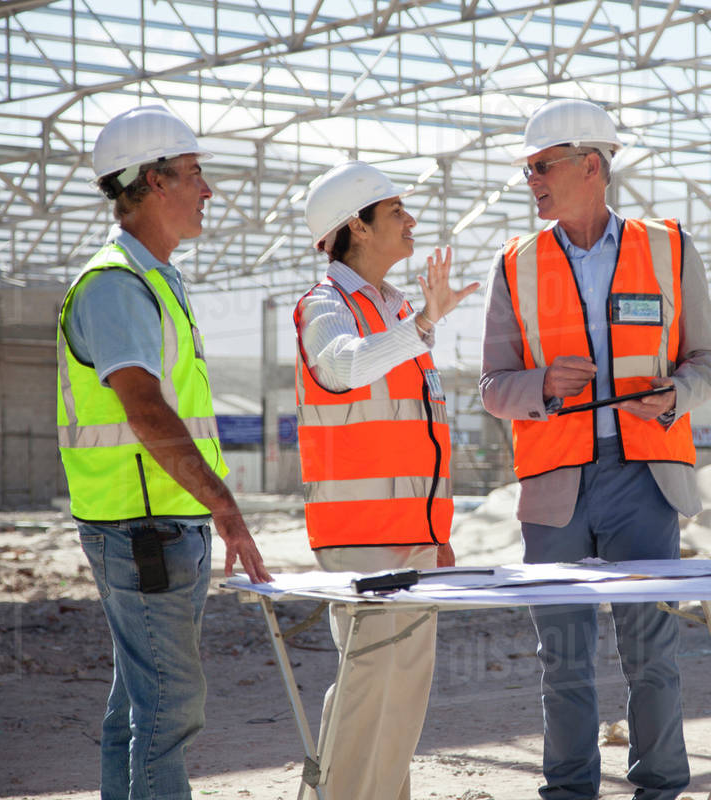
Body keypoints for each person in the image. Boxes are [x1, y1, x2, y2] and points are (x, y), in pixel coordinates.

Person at [480, 98, 711, 800]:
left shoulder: (670, 247)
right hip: (555, 485)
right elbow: (494, 387)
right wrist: (542, 386)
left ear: (592, 165)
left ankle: (660, 788)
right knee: (563, 657)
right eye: (528, 169)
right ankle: (569, 792)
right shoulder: (514, 265)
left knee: (652, 653)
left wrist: (674, 394)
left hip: (645, 482)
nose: (531, 180)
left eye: (541, 166)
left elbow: (708, 361)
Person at [57, 105, 271, 799]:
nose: (208, 189)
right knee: (168, 709)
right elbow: (146, 411)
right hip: (143, 526)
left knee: (138, 706)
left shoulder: (154, 277)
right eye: (196, 173)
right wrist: (228, 507)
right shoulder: (118, 283)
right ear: (153, 180)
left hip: (152, 521)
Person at [294, 160, 479, 799]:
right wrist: (422, 327)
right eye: (396, 210)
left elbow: (417, 436)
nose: (412, 221)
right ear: (358, 228)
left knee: (400, 698)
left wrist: (436, 531)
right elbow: (343, 368)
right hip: (362, 539)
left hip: (413, 538)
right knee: (368, 690)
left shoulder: (395, 308)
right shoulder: (325, 305)